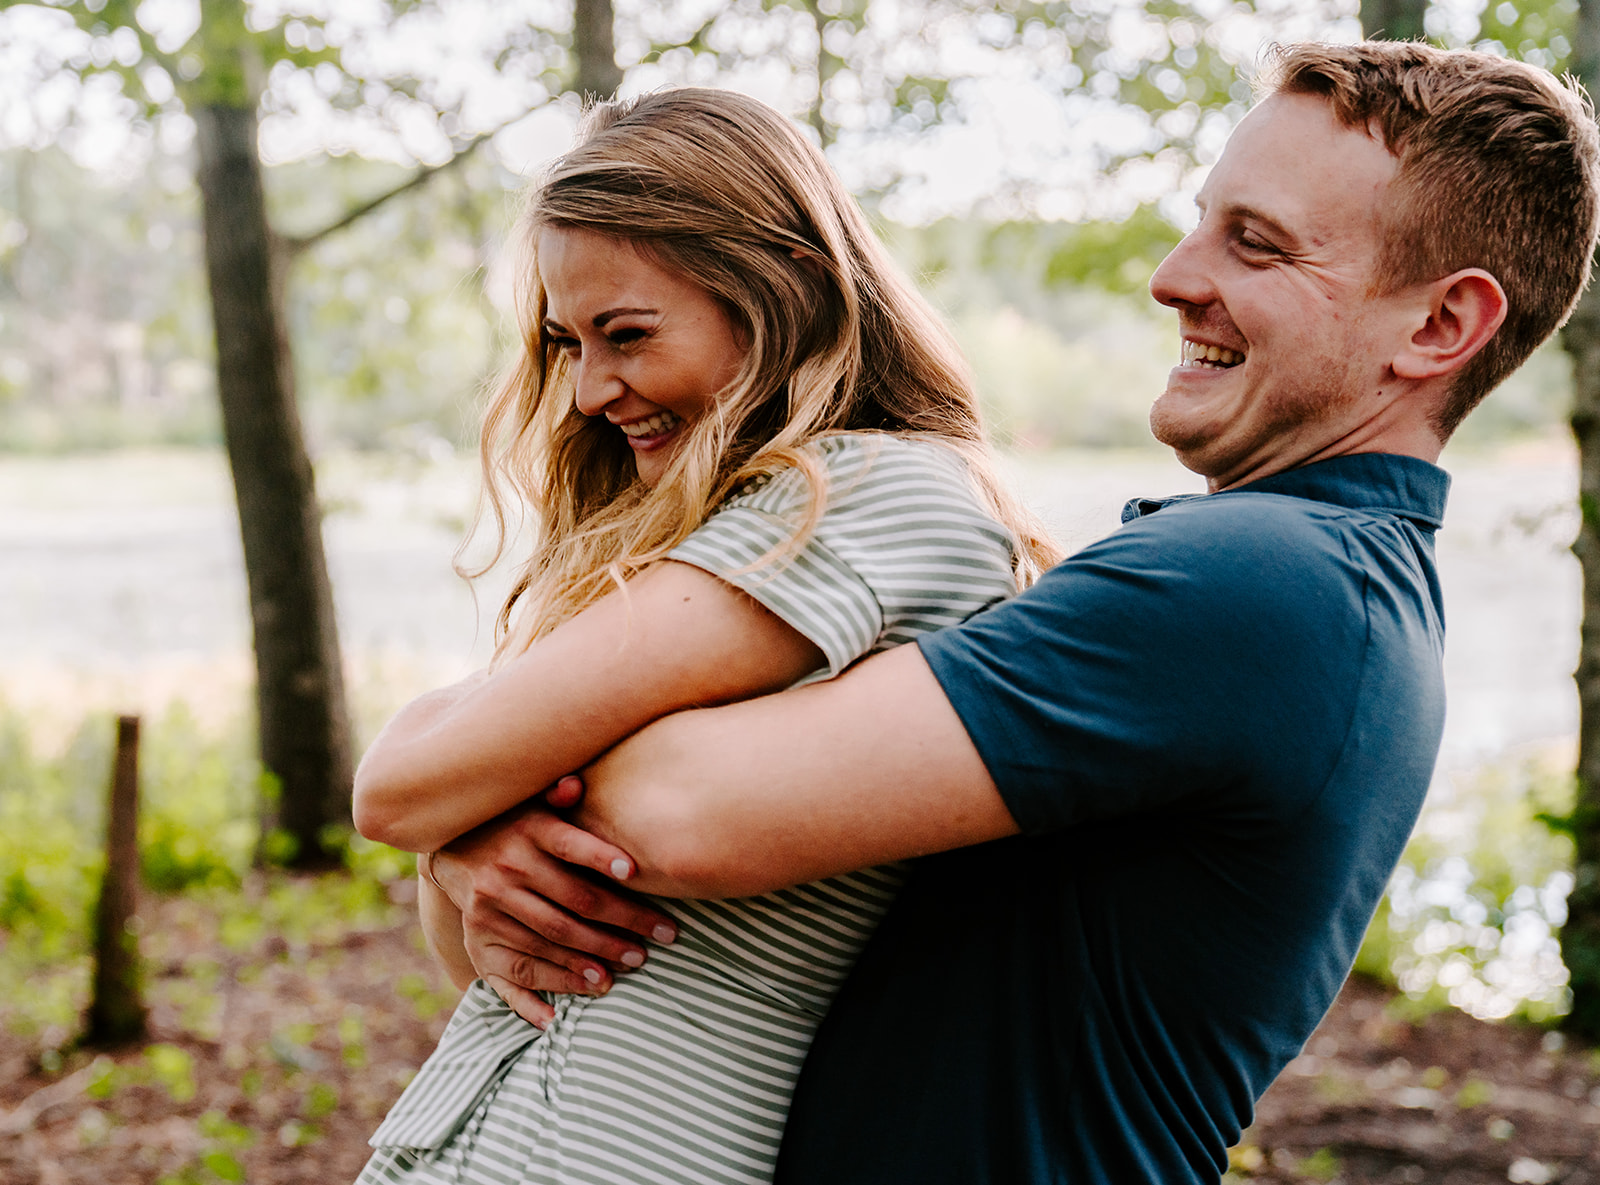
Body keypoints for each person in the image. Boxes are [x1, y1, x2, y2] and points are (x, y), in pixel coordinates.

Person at [420, 41, 1600, 1184]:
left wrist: (479, 788)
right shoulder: (1328, 585)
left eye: (1255, 244)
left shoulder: (1261, 582)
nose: (1173, 275)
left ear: (1438, 326)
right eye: (1200, 221)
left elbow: (669, 810)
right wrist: (470, 835)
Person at [350, 87, 1059, 1185]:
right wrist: (461, 856)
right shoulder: (739, 528)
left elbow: (394, 788)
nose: (589, 391)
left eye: (627, 334)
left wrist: (457, 798)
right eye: (567, 343)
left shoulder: (871, 497)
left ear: (786, 291)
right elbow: (486, 966)